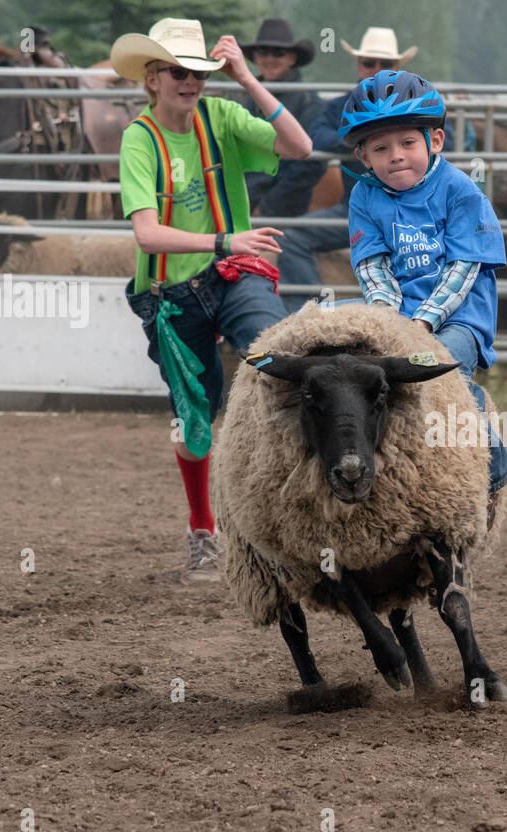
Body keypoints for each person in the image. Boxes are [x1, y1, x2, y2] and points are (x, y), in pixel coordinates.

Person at [112, 17, 312, 582]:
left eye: (198, 71)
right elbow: (147, 235)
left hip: (235, 272)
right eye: (177, 71)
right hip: (172, 296)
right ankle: (205, 530)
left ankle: (286, 514)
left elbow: (299, 145)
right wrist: (225, 237)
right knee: (194, 422)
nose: (190, 81)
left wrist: (247, 78)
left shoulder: (221, 116)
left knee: (276, 360)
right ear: (151, 78)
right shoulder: (139, 138)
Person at [341, 70, 507, 495]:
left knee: (440, 368)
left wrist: (422, 323)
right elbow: (373, 267)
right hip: (401, 314)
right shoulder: (365, 197)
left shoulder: (461, 191)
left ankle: (490, 456)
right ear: (364, 156)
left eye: (408, 143)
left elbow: (463, 271)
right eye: (381, 148)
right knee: (353, 367)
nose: (396, 156)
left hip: (458, 315)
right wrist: (387, 319)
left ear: (434, 141)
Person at [278, 28, 454, 315]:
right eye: (369, 63)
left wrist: (363, 137)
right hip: (357, 208)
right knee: (290, 237)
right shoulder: (345, 105)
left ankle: (426, 317)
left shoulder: (416, 101)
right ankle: (309, 320)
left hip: (417, 210)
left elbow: (449, 137)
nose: (376, 70)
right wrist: (361, 141)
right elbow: (316, 136)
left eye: (384, 65)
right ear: (359, 64)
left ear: (397, 67)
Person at [240, 19, 327, 220]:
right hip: (243, 207)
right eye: (263, 52)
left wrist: (268, 209)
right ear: (254, 57)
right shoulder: (246, 98)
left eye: (278, 52)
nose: (270, 58)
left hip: (282, 215)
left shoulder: (309, 103)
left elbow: (310, 165)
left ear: (292, 58)